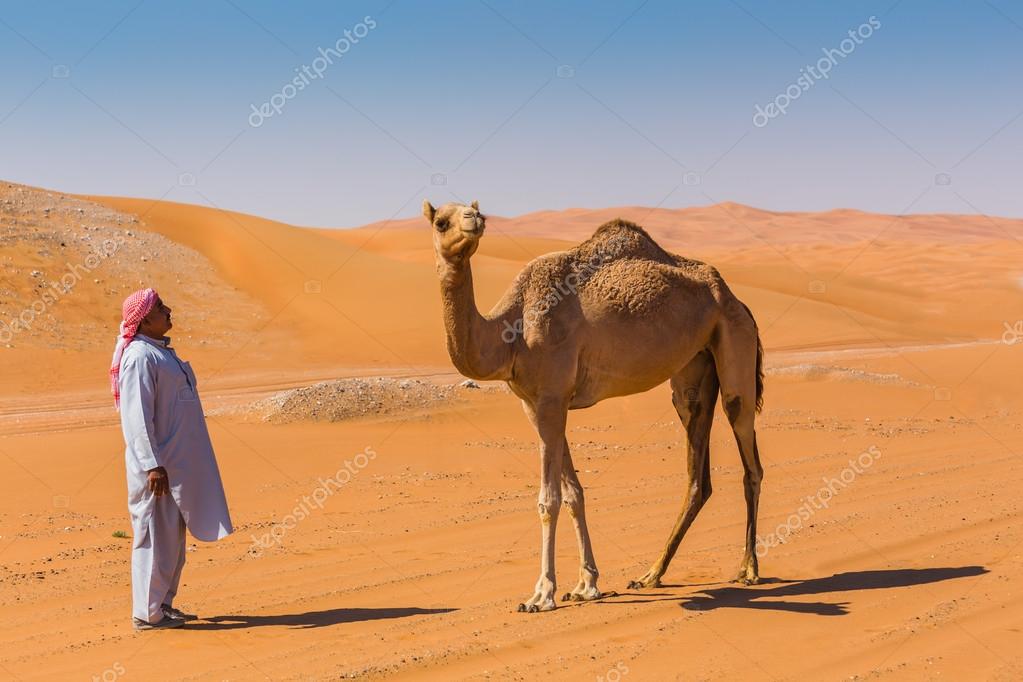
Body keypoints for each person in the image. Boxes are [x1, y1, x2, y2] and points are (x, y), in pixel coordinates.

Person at [110, 288, 233, 631]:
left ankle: (163, 605)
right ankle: (146, 614)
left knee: (173, 542)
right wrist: (152, 465)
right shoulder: (139, 357)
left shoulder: (160, 353)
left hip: (176, 467)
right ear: (145, 319)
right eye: (161, 308)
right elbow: (135, 418)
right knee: (153, 537)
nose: (168, 311)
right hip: (157, 470)